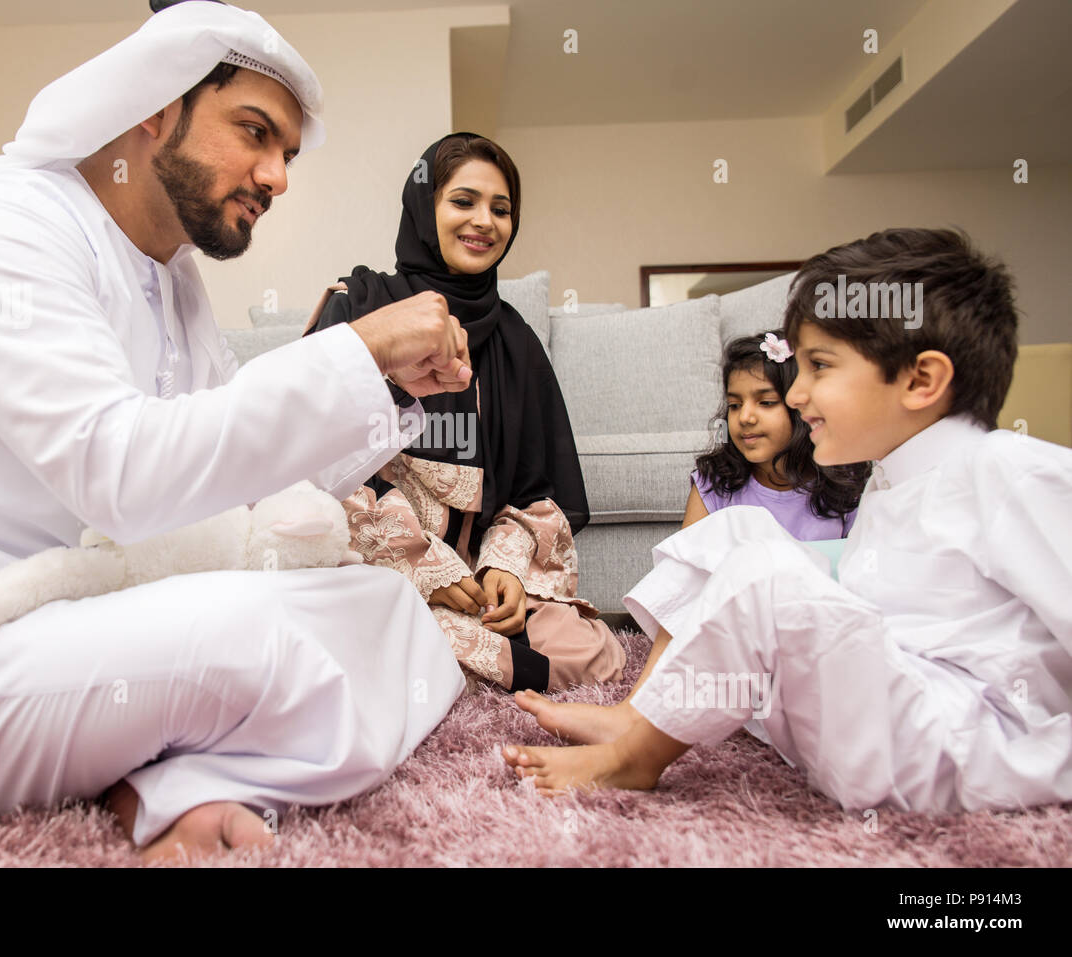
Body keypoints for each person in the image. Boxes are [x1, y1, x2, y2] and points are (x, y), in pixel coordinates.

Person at [0, 1, 472, 864]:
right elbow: (121, 474)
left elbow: (234, 479)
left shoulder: (171, 278)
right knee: (250, 637)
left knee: (387, 608)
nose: (278, 175)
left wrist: (381, 381)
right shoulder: (1, 226)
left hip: (84, 618)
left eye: (286, 152)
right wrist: (355, 346)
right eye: (254, 132)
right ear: (157, 103)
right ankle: (182, 770)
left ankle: (158, 783)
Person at [503, 227, 1072, 813]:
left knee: (765, 572)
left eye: (820, 367)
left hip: (955, 747)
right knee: (735, 532)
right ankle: (637, 713)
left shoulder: (1007, 469)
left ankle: (635, 760)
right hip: (877, 717)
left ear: (921, 380)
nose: (796, 394)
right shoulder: (891, 481)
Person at [307, 133, 625, 695]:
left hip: (473, 575)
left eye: (501, 209)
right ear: (424, 209)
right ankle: (447, 657)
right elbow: (314, 460)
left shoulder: (514, 340)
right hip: (372, 563)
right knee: (347, 614)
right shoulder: (360, 305)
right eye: (463, 201)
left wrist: (501, 568)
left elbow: (535, 491)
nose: (484, 221)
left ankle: (435, 663)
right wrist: (425, 568)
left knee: (592, 649)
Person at [682, 330, 868, 538]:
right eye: (735, 405)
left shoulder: (845, 482)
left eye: (766, 403)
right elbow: (683, 567)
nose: (744, 417)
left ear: (804, 408)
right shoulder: (713, 482)